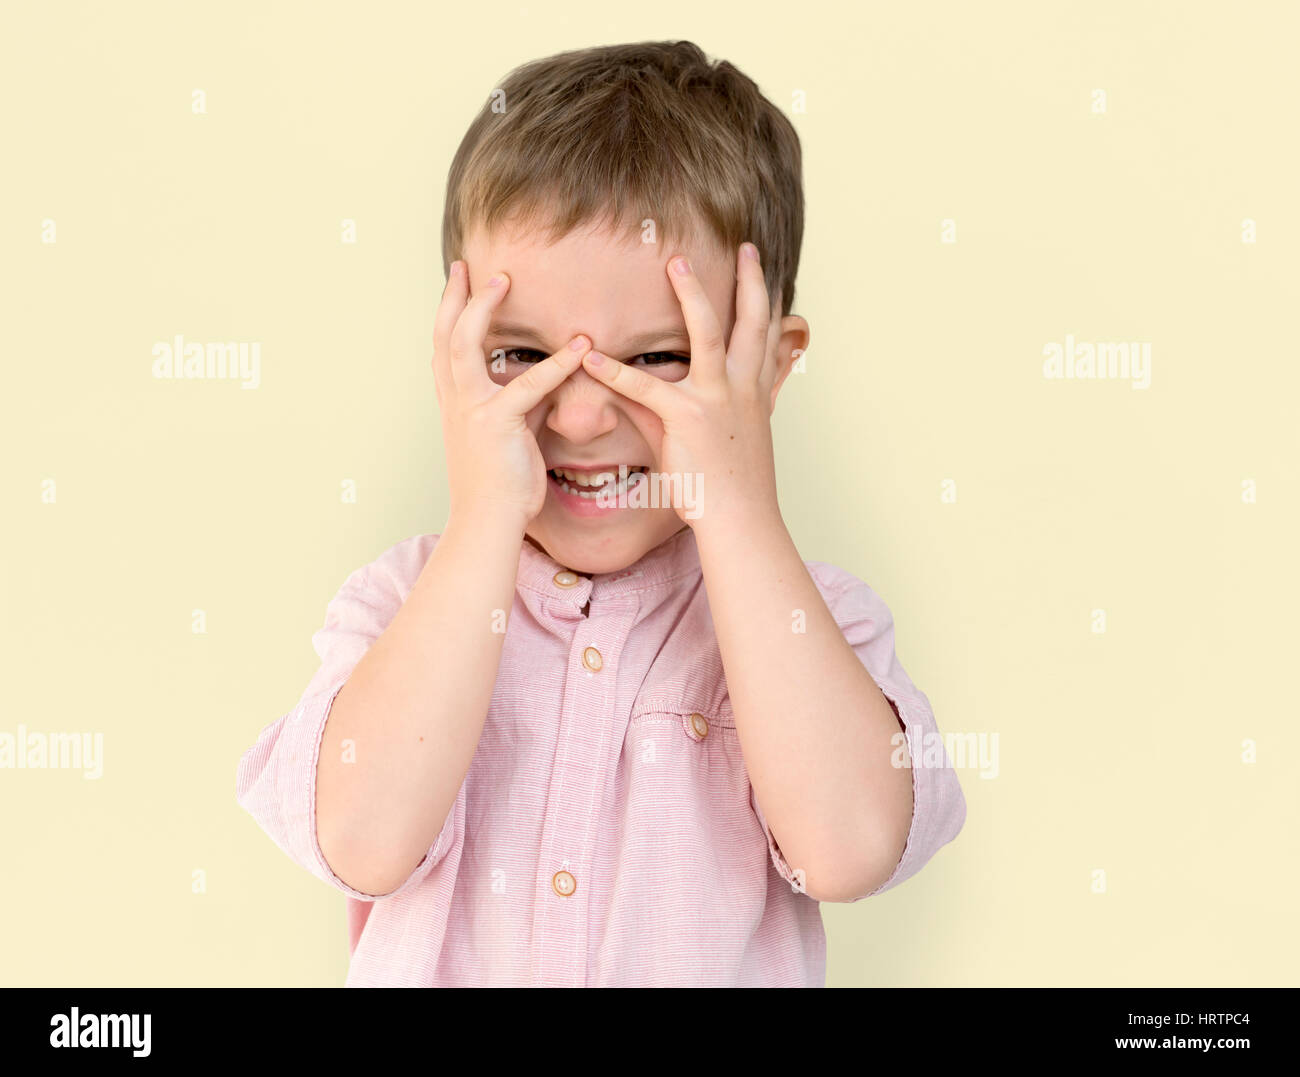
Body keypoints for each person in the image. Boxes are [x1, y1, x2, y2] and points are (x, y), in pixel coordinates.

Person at [236, 39, 966, 987]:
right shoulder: (404, 601)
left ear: (771, 366)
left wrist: (738, 508)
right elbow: (363, 839)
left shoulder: (812, 621)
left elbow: (852, 846)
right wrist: (483, 521)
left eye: (659, 359)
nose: (579, 415)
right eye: (517, 356)